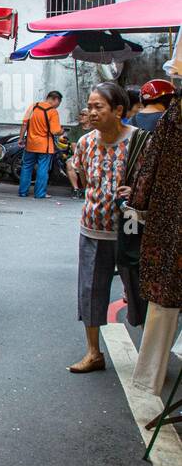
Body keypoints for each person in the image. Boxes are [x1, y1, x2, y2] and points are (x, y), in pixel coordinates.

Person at [66, 81, 137, 374]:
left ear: (118, 110)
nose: (92, 113)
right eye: (90, 107)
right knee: (91, 289)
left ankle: (148, 356)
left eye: (99, 107)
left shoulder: (139, 141)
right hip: (93, 227)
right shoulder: (85, 142)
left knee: (139, 290)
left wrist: (134, 191)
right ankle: (93, 352)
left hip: (132, 229)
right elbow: (80, 175)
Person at [127, 94, 182, 395]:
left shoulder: (171, 119)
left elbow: (148, 169)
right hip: (170, 219)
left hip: (169, 220)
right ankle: (149, 378)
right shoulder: (170, 119)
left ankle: (149, 379)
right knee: (164, 300)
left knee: (164, 303)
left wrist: (138, 205)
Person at [19, 90, 64, 199]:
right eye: (59, 103)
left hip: (30, 143)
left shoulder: (33, 106)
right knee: (42, 169)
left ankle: (23, 192)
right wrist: (61, 131)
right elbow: (55, 131)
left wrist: (21, 138)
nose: (58, 106)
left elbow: (24, 123)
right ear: (55, 99)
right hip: (45, 146)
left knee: (26, 167)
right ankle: (40, 193)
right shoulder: (53, 112)